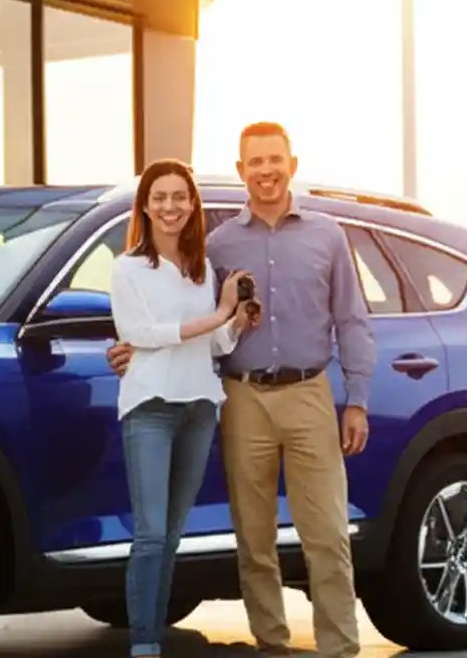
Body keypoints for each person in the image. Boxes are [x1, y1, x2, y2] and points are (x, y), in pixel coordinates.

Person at [107, 123, 375, 658]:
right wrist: (134, 347)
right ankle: (272, 646)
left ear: (291, 165)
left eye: (275, 160)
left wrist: (359, 400)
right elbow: (199, 321)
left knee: (326, 536)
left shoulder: (327, 235)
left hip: (308, 394)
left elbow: (352, 319)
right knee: (254, 542)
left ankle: (339, 649)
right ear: (240, 171)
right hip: (241, 398)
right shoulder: (220, 245)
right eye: (255, 162)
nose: (266, 171)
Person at [109, 158, 256, 658]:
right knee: (150, 534)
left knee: (171, 535)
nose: (170, 206)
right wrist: (217, 313)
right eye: (160, 198)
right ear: (145, 207)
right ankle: (144, 644)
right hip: (150, 407)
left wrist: (234, 322)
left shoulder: (201, 269)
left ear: (192, 205)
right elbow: (139, 336)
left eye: (179, 197)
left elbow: (214, 346)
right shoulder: (128, 268)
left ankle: (154, 636)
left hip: (199, 407)